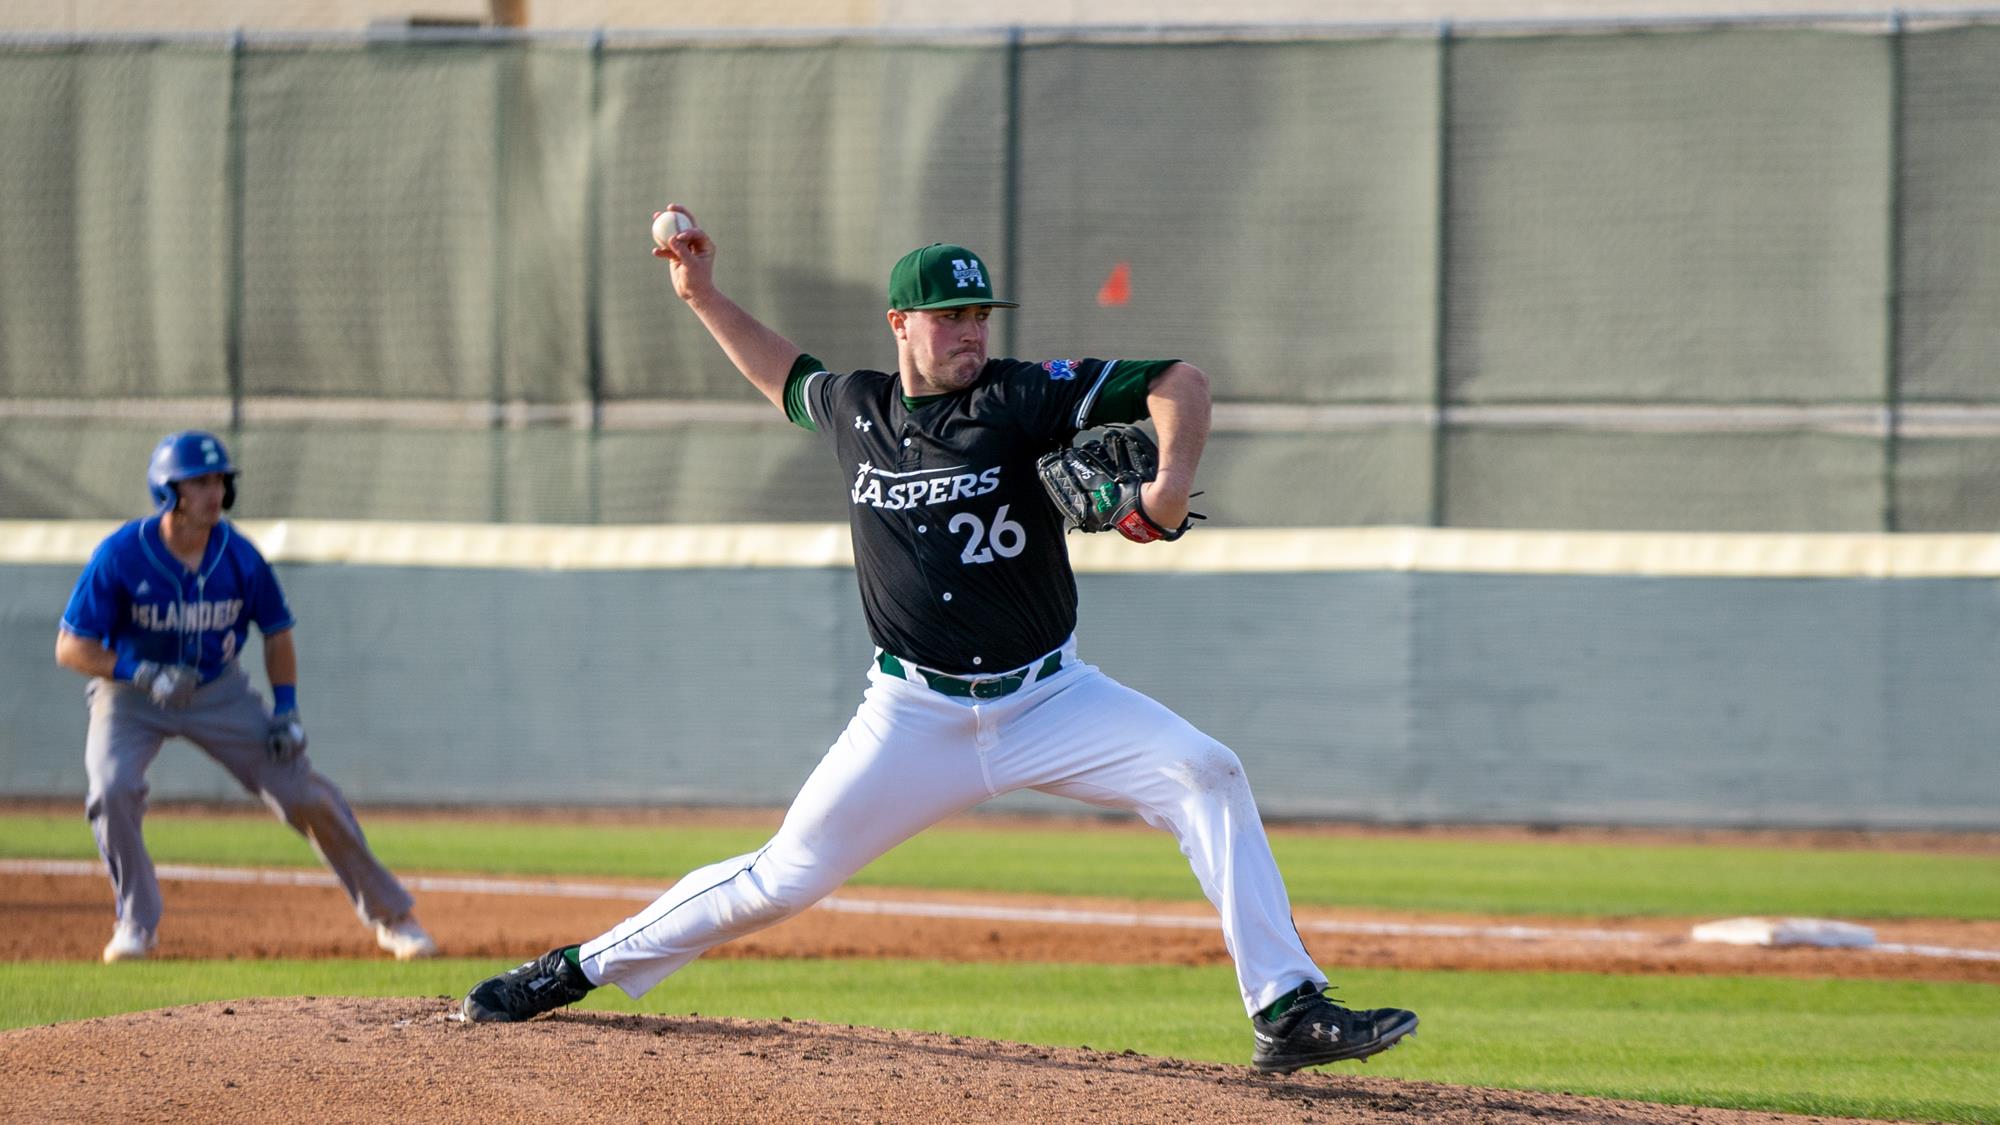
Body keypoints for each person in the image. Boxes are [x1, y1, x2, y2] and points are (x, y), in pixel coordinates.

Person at [461, 212, 1417, 1073]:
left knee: (1207, 772)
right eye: (950, 316)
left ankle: (1285, 1007)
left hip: (1051, 699)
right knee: (778, 880)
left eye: (979, 315)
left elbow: (1180, 382)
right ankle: (572, 969)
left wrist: (1165, 492)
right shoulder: (857, 411)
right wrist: (703, 293)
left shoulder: (1022, 395)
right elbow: (781, 372)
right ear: (900, 325)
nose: (970, 333)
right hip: (911, 714)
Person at [54, 430, 437, 964]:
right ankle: (136, 925)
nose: (214, 492)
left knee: (303, 793)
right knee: (112, 787)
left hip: (217, 690)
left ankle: (396, 918)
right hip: (131, 694)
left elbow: (277, 631)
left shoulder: (239, 556)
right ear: (169, 491)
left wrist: (286, 710)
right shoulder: (123, 554)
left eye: (220, 481)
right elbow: (71, 646)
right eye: (200, 482)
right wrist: (141, 672)